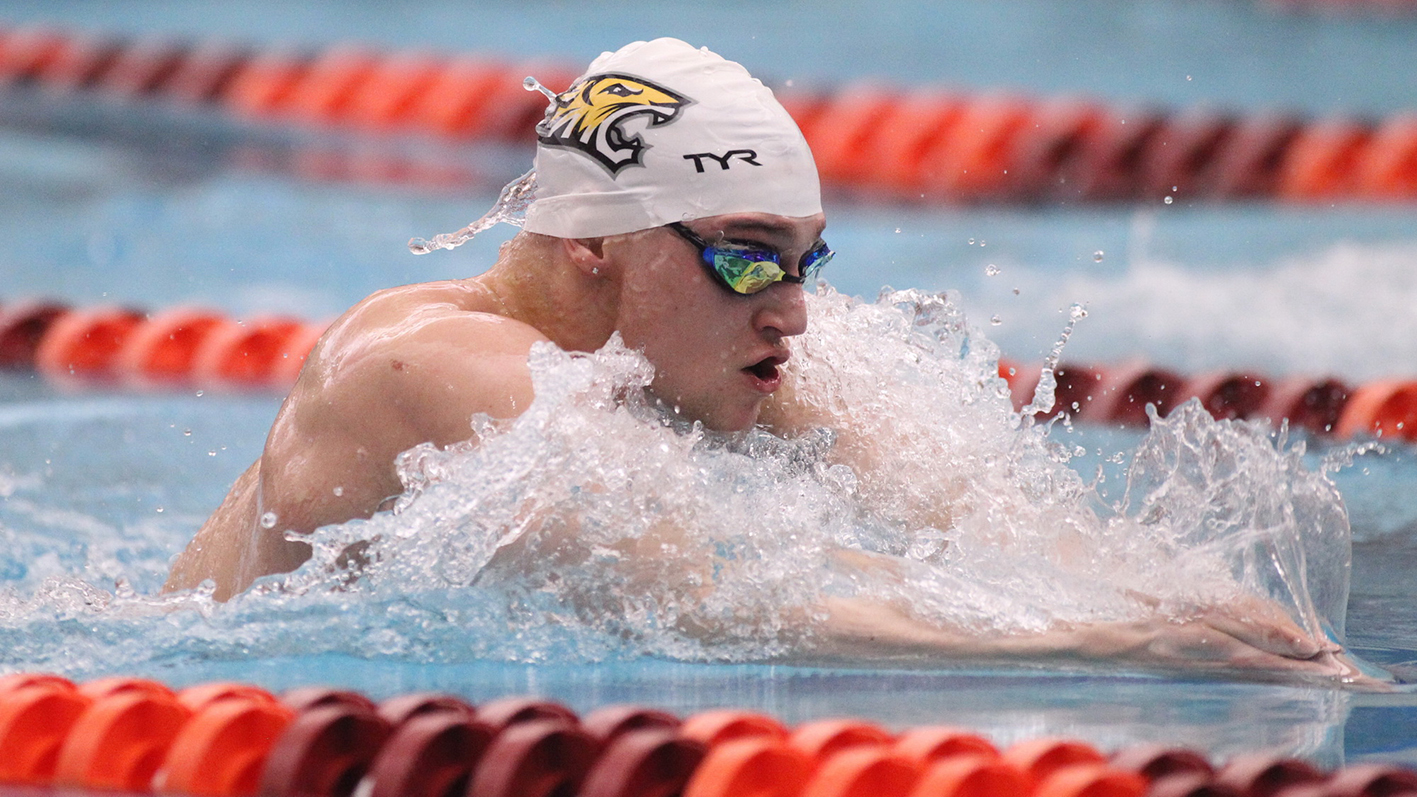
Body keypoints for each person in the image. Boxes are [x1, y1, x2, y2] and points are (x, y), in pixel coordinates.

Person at [164, 39, 1363, 682]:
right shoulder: (421, 366)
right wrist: (1108, 646)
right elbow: (721, 599)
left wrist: (1178, 601)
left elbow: (981, 520)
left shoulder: (718, 336)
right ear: (593, 244)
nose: (793, 312)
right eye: (747, 257)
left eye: (805, 261)